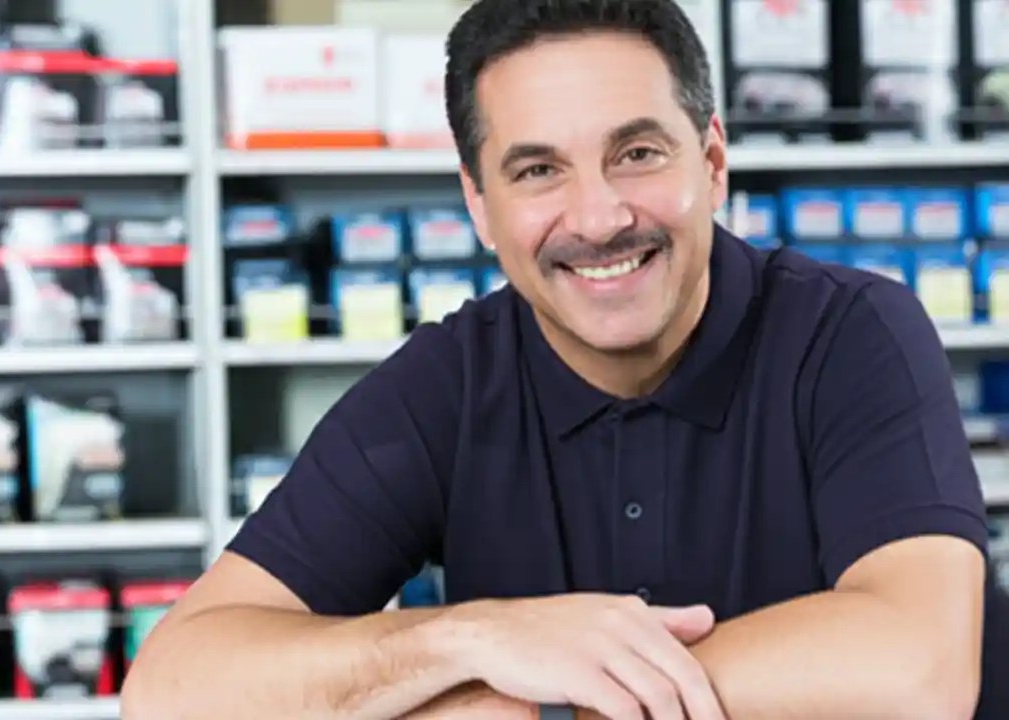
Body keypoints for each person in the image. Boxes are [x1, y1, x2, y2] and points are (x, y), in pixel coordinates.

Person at [121, 0, 1005, 717]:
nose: (598, 217)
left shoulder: (851, 333)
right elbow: (173, 691)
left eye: (638, 153)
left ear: (713, 160)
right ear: (478, 204)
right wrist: (470, 639)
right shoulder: (447, 384)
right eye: (538, 171)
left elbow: (916, 669)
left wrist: (540, 704)